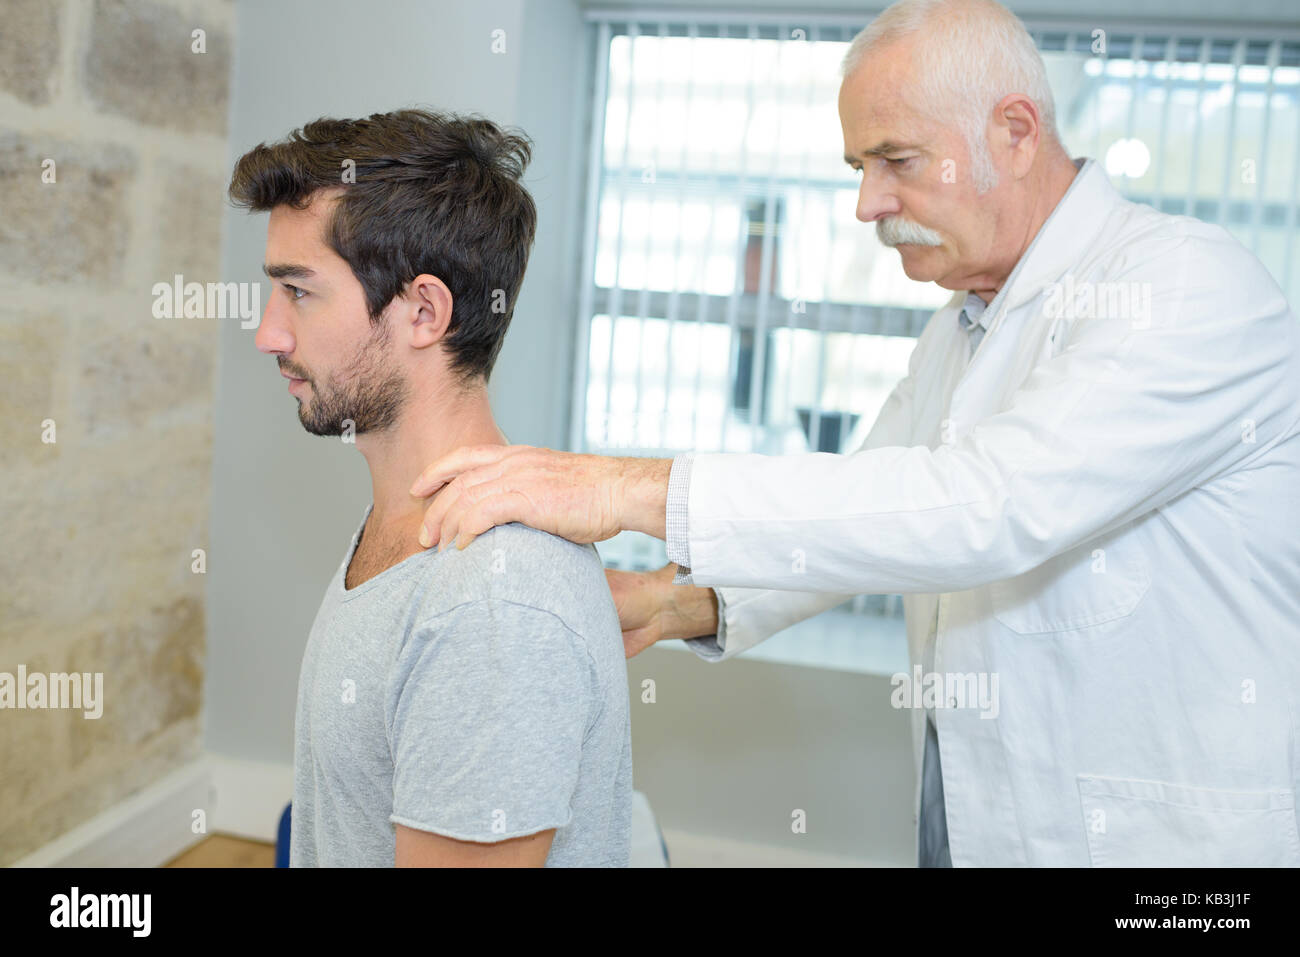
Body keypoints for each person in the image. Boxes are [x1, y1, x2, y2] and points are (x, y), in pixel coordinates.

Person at [406, 0, 1300, 866]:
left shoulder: (1183, 287)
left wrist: (619, 488)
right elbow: (870, 507)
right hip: (976, 823)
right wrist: (683, 601)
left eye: (897, 161)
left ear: (1016, 133)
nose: (868, 204)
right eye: (858, 168)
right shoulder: (965, 325)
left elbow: (985, 508)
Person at [229, 108, 632, 867]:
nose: (269, 333)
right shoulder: (407, 518)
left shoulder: (491, 603)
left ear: (423, 311)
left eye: (300, 292)